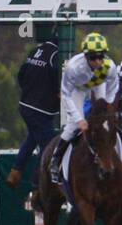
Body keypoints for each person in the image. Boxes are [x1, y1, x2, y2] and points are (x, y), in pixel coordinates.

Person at [49, 32, 117, 181]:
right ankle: (56, 159)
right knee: (73, 125)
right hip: (77, 90)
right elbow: (65, 95)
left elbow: (113, 87)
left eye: (101, 56)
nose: (98, 61)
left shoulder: (110, 66)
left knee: (106, 122)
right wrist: (79, 119)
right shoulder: (73, 68)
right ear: (86, 56)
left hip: (98, 84)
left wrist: (109, 107)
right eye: (93, 57)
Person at [5, 33, 62, 189]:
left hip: (25, 105)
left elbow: (21, 75)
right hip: (41, 110)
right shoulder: (57, 54)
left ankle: (15, 172)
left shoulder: (36, 50)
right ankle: (38, 184)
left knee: (32, 139)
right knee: (49, 145)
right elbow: (59, 84)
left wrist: (29, 92)